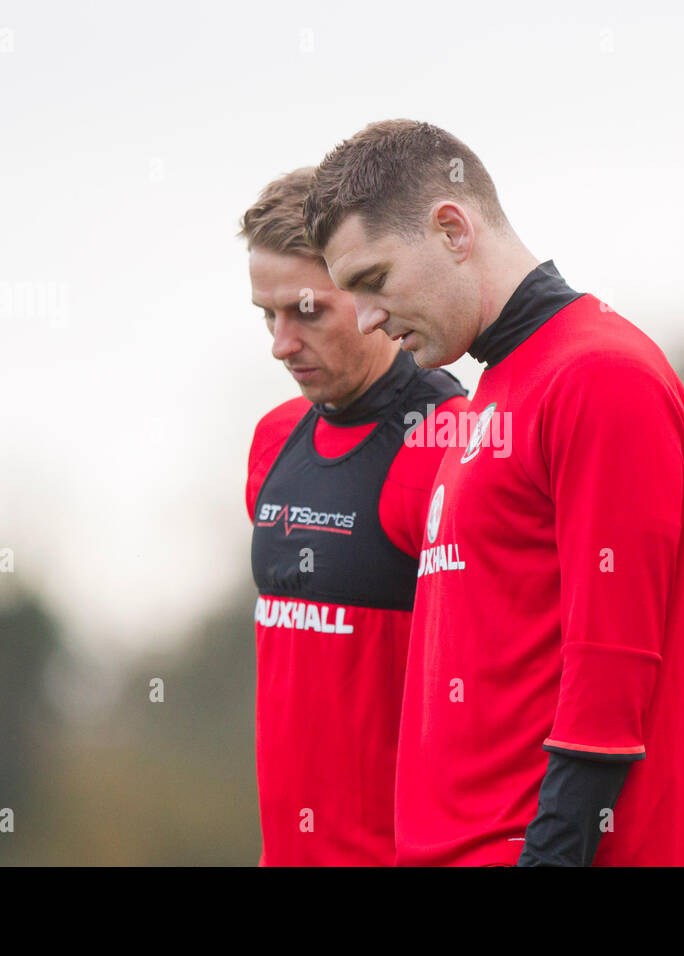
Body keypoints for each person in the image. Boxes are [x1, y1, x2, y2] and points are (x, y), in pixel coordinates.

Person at [303, 120, 684, 866]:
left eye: (373, 281)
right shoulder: (492, 389)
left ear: (453, 230)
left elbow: (609, 682)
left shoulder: (599, 376)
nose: (364, 318)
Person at [240, 167, 468, 865]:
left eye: (307, 312)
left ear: (374, 295)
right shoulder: (274, 439)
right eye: (267, 316)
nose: (282, 343)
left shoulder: (453, 448)